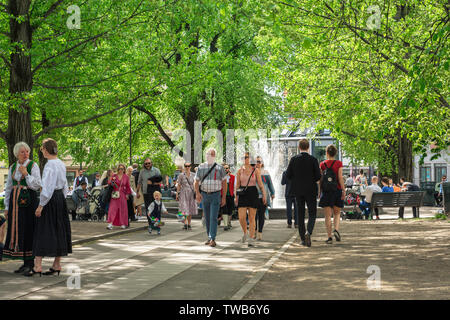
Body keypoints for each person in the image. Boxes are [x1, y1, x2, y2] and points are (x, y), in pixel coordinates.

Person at [29, 138, 71, 277]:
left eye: (42, 148)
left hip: (50, 199)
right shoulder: (61, 164)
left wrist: (41, 205)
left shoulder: (49, 165)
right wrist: (61, 200)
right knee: (59, 230)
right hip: (59, 199)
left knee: (42, 230)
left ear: (46, 150)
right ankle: (56, 264)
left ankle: (38, 265)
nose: (42, 151)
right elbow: (64, 185)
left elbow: (47, 187)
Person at [2, 142, 41, 275]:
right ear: (17, 154)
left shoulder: (33, 165)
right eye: (22, 152)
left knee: (28, 228)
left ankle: (30, 262)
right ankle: (24, 262)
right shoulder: (13, 166)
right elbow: (8, 188)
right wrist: (6, 207)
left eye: (27, 152)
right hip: (15, 203)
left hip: (29, 201)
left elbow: (37, 185)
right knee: (17, 229)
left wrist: (26, 174)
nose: (26, 154)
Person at [286, 139, 321, 247]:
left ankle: (302, 239)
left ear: (299, 147)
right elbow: (318, 176)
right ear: (308, 147)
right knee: (312, 213)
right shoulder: (313, 159)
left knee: (300, 215)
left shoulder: (294, 159)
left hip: (298, 191)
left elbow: (288, 175)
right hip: (310, 190)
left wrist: (296, 180)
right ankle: (308, 232)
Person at [194, 148, 227, 248]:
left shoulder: (219, 168)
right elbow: (196, 181)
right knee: (207, 217)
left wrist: (224, 197)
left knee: (213, 217)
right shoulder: (201, 167)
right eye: (209, 154)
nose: (210, 156)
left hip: (215, 195)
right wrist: (197, 193)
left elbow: (224, 182)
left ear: (215, 156)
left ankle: (213, 238)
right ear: (206, 155)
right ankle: (209, 236)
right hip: (204, 195)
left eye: (212, 154)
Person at [234, 152, 266, 247]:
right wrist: (236, 197)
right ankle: (245, 232)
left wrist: (264, 195)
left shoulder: (256, 170)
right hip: (243, 194)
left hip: (252, 193)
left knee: (252, 218)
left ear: (249, 159)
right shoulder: (240, 171)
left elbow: (260, 184)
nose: (244, 159)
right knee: (241, 217)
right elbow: (237, 185)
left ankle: (251, 238)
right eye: (242, 157)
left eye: (246, 157)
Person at [318, 144, 345, 245]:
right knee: (337, 213)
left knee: (327, 215)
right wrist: (343, 189)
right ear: (335, 153)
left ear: (327, 153)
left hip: (326, 191)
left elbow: (321, 180)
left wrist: (319, 192)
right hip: (336, 190)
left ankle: (329, 237)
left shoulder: (322, 164)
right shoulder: (338, 163)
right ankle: (336, 230)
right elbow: (340, 177)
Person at [106, 164, 133, 230]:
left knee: (123, 209)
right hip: (115, 194)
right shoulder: (114, 175)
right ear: (118, 169)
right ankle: (110, 223)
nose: (121, 170)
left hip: (122, 194)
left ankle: (123, 223)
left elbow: (128, 186)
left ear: (124, 170)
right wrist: (111, 182)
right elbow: (109, 183)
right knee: (112, 208)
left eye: (122, 169)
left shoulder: (126, 177)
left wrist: (127, 194)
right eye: (119, 169)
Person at [255, 156, 275, 241]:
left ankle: (260, 232)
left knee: (261, 215)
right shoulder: (253, 172)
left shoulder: (265, 173)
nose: (257, 163)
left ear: (262, 163)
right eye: (256, 162)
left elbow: (270, 184)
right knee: (254, 216)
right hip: (254, 197)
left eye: (259, 162)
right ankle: (254, 230)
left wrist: (272, 193)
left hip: (263, 197)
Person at [176, 162, 197, 230]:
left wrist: (197, 192)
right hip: (183, 192)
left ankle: (189, 223)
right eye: (186, 166)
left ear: (190, 167)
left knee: (190, 208)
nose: (187, 167)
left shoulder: (194, 175)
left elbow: (196, 184)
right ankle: (185, 223)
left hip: (191, 193)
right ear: (184, 167)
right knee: (184, 208)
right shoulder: (181, 175)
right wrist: (177, 193)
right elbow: (179, 185)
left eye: (188, 166)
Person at [220, 163, 235, 231]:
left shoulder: (233, 177)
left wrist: (235, 196)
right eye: (224, 168)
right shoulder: (220, 177)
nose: (225, 169)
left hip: (230, 195)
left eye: (227, 168)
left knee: (230, 210)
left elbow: (235, 187)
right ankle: (225, 224)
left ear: (229, 169)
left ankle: (228, 222)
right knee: (224, 209)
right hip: (223, 195)